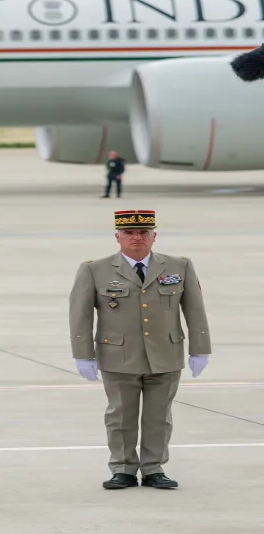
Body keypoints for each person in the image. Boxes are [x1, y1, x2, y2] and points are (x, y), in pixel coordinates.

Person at [68, 209, 210, 490]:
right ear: (117, 237)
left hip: (166, 355)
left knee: (159, 416)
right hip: (118, 356)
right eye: (129, 233)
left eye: (143, 233)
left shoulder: (178, 266)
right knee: (120, 416)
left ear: (154, 236)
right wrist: (83, 354)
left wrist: (200, 348)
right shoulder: (95, 269)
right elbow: (80, 315)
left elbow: (194, 310)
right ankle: (123, 468)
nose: (136, 238)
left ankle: (154, 468)